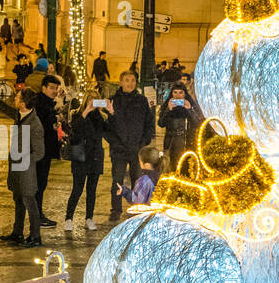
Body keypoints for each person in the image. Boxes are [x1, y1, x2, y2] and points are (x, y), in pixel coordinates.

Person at [106, 70, 156, 220]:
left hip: (137, 149)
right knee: (117, 180)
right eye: (127, 80)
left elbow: (149, 123)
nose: (130, 83)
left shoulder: (141, 100)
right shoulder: (113, 100)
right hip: (119, 150)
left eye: (132, 80)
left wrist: (144, 142)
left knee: (138, 181)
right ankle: (116, 210)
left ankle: (137, 208)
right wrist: (115, 143)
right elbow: (107, 128)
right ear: (121, 82)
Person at [0, 87, 44, 247]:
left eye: (17, 98)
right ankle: (17, 233)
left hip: (26, 171)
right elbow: (3, 107)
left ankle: (35, 236)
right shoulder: (20, 115)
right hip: (16, 169)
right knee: (18, 200)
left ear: (23, 104)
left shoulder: (35, 124)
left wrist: (23, 159)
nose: (15, 99)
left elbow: (39, 152)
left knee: (29, 201)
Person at [64, 91, 108, 231]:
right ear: (86, 100)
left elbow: (110, 132)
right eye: (91, 99)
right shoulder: (78, 114)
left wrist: (110, 111)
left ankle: (89, 218)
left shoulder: (102, 117)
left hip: (95, 156)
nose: (93, 102)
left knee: (91, 189)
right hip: (81, 156)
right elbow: (75, 131)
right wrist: (87, 110)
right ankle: (68, 218)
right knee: (77, 189)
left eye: (96, 100)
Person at [33, 74, 63, 227]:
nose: (54, 91)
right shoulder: (40, 104)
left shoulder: (48, 103)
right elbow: (41, 125)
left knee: (41, 184)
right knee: (39, 184)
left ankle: (38, 214)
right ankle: (37, 216)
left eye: (56, 88)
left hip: (46, 150)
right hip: (40, 151)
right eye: (51, 88)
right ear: (43, 88)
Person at [159, 83, 203, 163]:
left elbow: (198, 123)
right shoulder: (167, 106)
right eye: (175, 92)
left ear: (185, 94)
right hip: (170, 143)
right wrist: (168, 110)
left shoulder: (190, 105)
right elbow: (161, 123)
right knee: (170, 165)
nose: (178, 95)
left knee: (185, 165)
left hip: (186, 142)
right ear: (171, 94)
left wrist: (189, 110)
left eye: (180, 92)